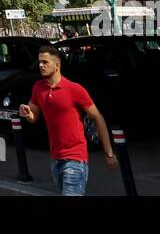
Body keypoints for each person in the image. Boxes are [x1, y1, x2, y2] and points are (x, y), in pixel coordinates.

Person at [19, 44, 118, 195]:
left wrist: (109, 153)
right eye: (39, 62)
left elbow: (98, 118)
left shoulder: (74, 89)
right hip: (55, 158)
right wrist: (28, 113)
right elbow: (33, 115)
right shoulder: (38, 87)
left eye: (45, 62)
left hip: (75, 158)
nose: (41, 65)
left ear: (57, 65)